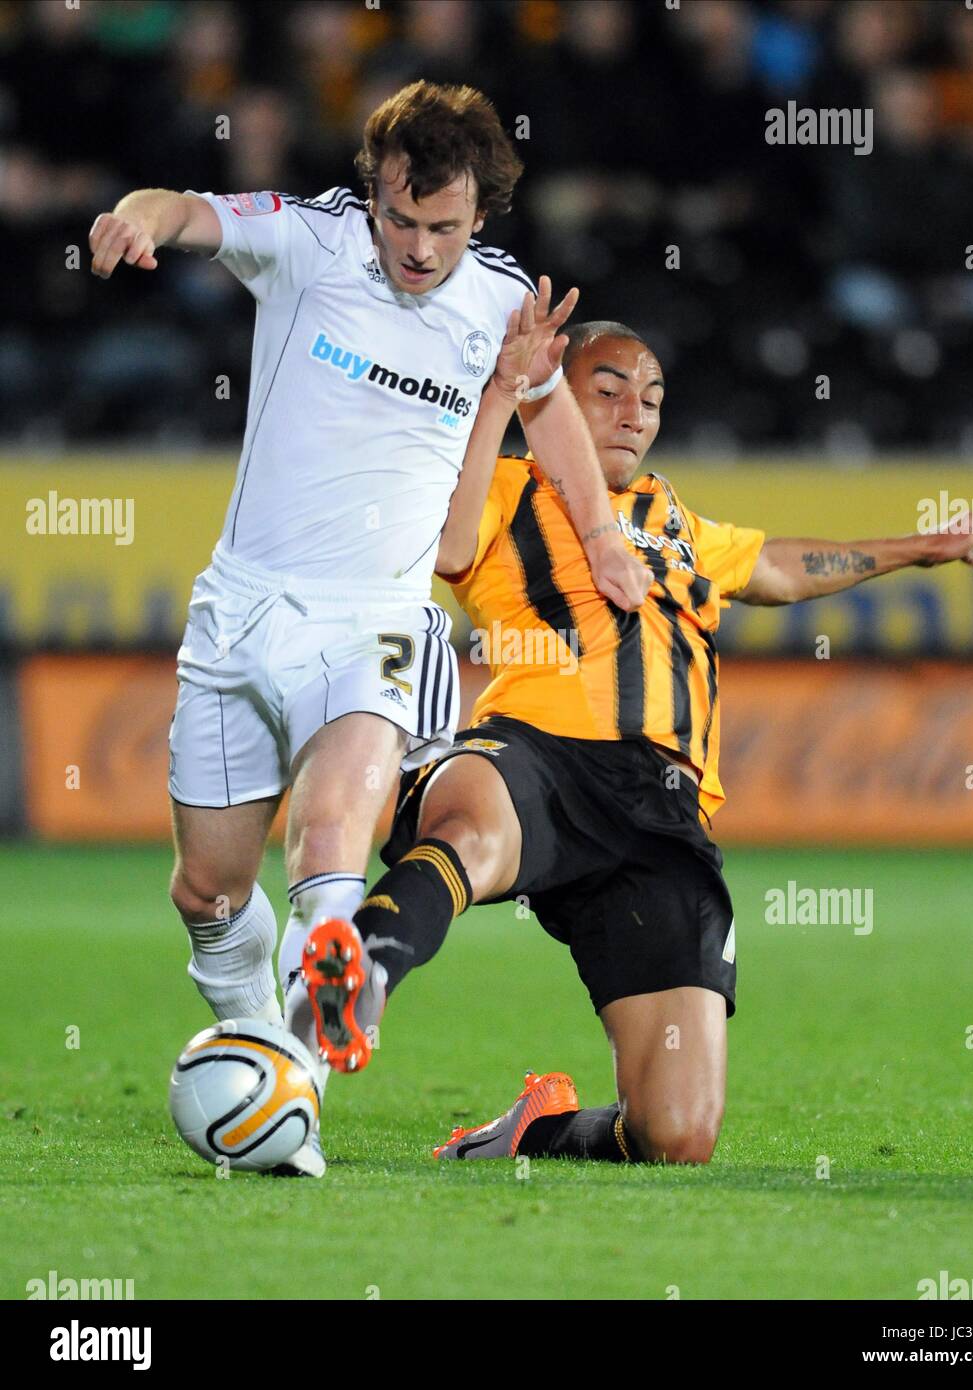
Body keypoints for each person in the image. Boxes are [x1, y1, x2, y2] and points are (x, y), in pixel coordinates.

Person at [88, 82, 649, 1177]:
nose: (422, 247)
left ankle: (312, 1033)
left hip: (384, 617)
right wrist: (135, 218)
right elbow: (187, 207)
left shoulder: (499, 304)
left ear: (479, 213)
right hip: (245, 610)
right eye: (404, 220)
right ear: (374, 193)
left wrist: (602, 537)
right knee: (207, 891)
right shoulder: (307, 242)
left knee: (337, 817)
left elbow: (553, 418)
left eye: (446, 226)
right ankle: (264, 1033)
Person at [302, 317, 973, 1166]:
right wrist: (503, 393)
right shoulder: (508, 484)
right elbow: (449, 548)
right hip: (536, 748)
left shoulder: (674, 518)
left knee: (676, 1135)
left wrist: (912, 550)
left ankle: (534, 1132)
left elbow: (777, 567)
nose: (633, 413)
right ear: (554, 393)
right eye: (606, 392)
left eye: (650, 398)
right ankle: (361, 971)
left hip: (662, 810)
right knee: (471, 828)